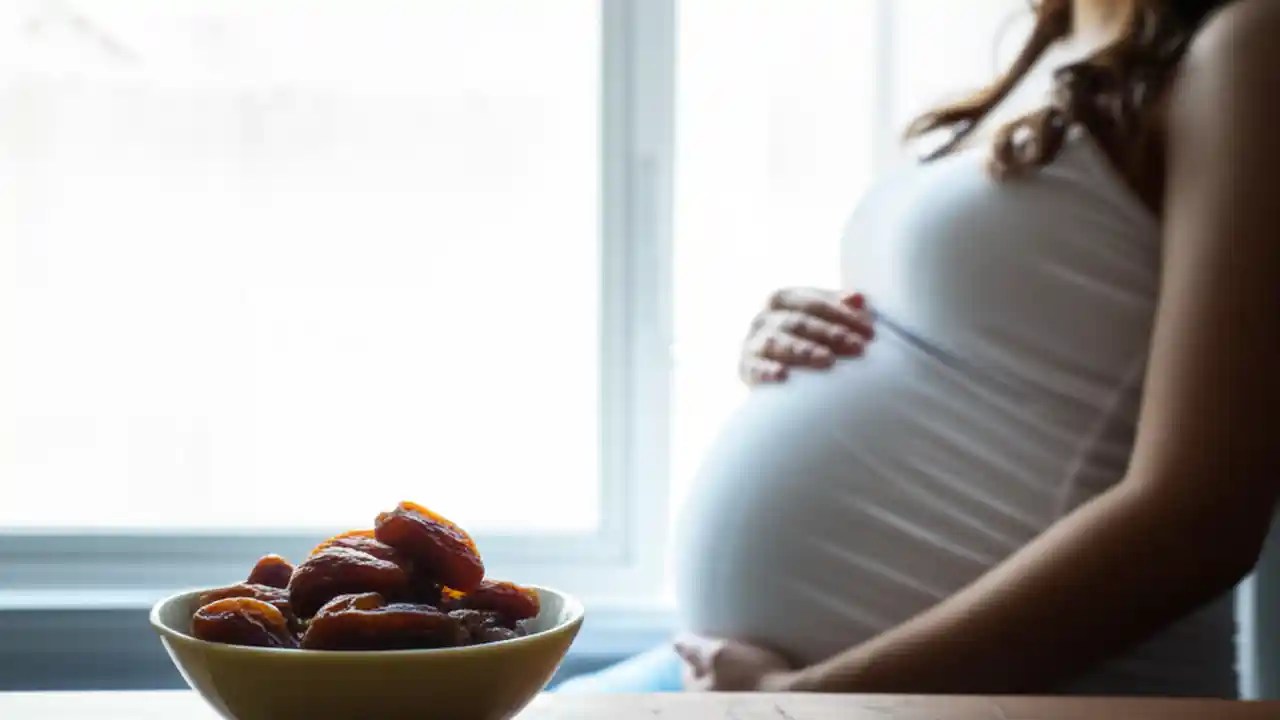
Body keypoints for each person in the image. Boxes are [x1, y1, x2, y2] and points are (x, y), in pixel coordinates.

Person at [558, 0, 1279, 697]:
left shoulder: (1247, 39)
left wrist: (808, 695)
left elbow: (1202, 516)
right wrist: (797, 334)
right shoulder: (1059, 44)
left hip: (985, 699)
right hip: (775, 683)